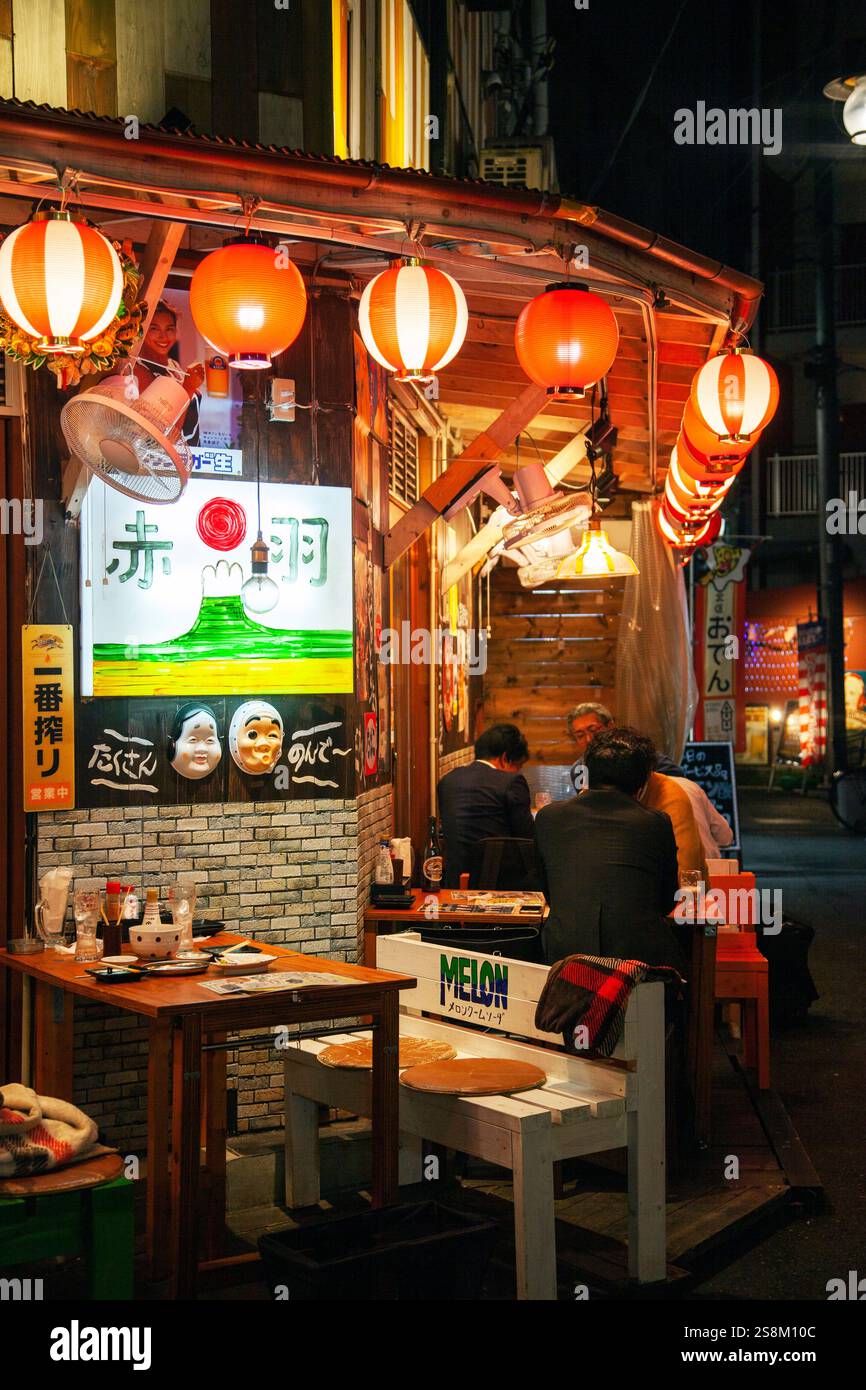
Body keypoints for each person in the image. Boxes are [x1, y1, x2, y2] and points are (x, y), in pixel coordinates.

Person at [534, 726, 684, 970]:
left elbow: (549, 893)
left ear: (587, 772)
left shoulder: (548, 817)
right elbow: (667, 901)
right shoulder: (655, 822)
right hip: (637, 965)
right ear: (642, 783)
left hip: (565, 960)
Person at [437, 723, 534, 887]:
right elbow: (527, 839)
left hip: (454, 883)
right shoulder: (511, 782)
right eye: (518, 766)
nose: (518, 772)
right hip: (501, 885)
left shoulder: (448, 781)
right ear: (504, 758)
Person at [567, 702, 685, 789]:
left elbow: (676, 776)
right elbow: (582, 806)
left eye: (593, 730)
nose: (589, 739)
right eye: (580, 735)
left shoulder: (631, 753)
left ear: (610, 726)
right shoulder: (580, 769)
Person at [133, 300, 203, 445]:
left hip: (189, 458)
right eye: (154, 329)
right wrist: (188, 388)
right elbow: (161, 433)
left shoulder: (174, 366)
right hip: (157, 460)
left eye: (169, 329)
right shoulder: (137, 369)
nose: (163, 337)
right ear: (143, 330)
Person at [672, 775, 734, 859]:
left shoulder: (653, 789)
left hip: (672, 866)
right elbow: (725, 838)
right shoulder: (691, 786)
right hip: (709, 864)